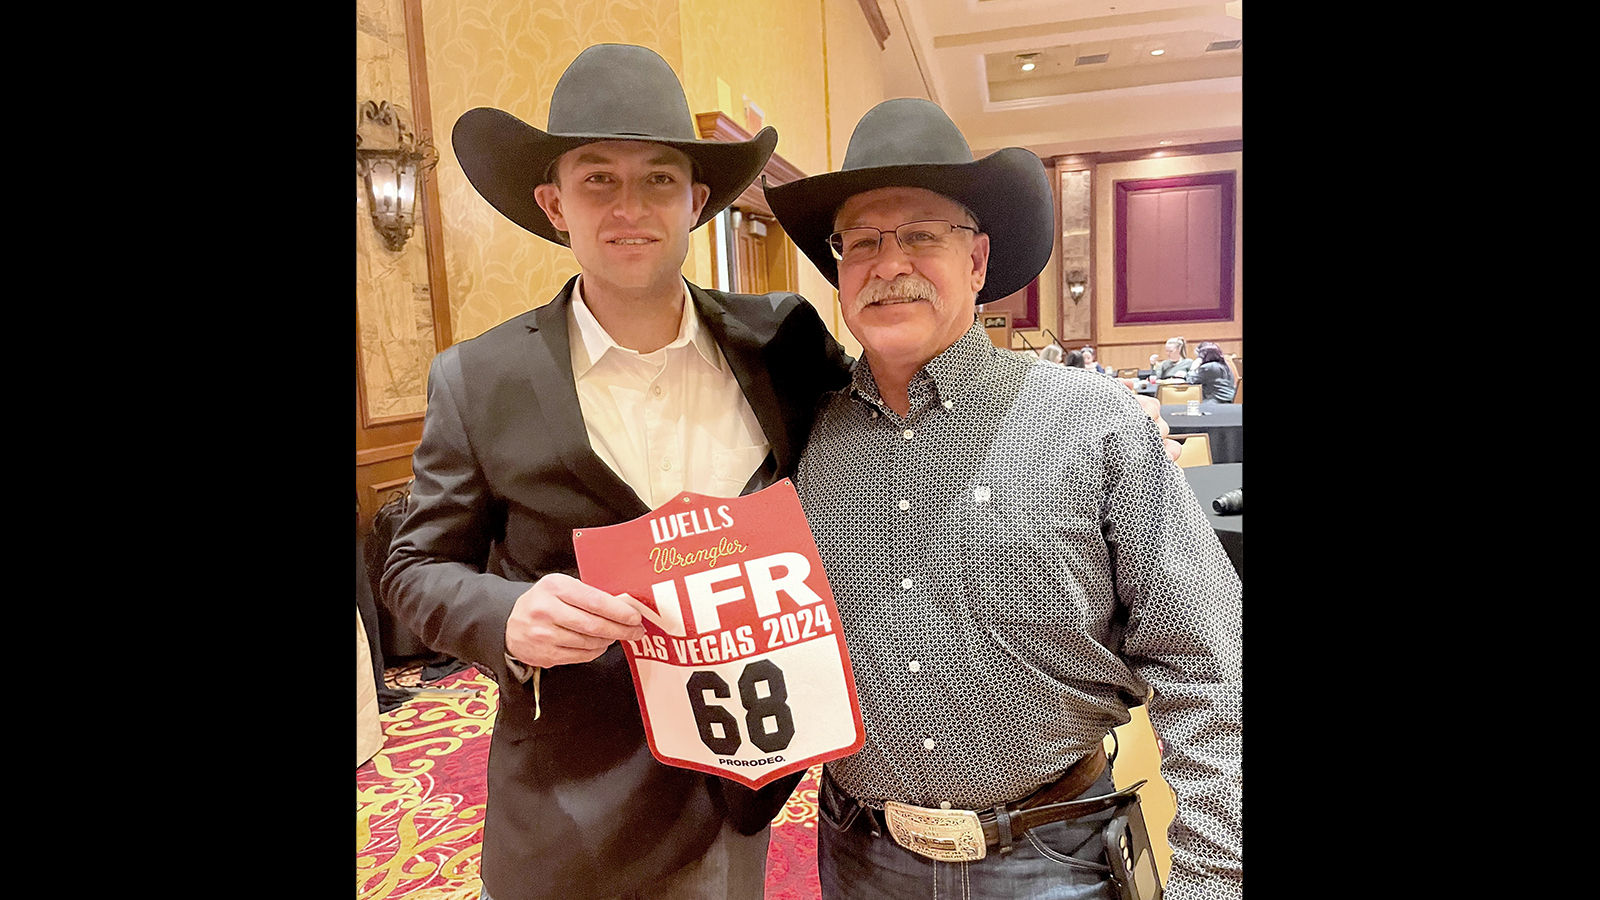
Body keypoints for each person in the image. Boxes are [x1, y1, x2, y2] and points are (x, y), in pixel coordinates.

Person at [382, 44, 852, 900]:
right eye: (598, 179)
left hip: (737, 790)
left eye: (659, 179)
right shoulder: (477, 380)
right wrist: (508, 613)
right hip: (569, 810)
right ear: (553, 203)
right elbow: (412, 571)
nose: (629, 207)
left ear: (698, 201)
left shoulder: (783, 342)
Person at [766, 98, 1241, 900]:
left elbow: (1213, 665)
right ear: (839, 266)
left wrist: (1213, 881)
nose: (890, 264)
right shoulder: (802, 438)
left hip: (1056, 859)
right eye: (864, 242)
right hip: (858, 856)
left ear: (978, 262)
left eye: (922, 234)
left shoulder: (1093, 423)